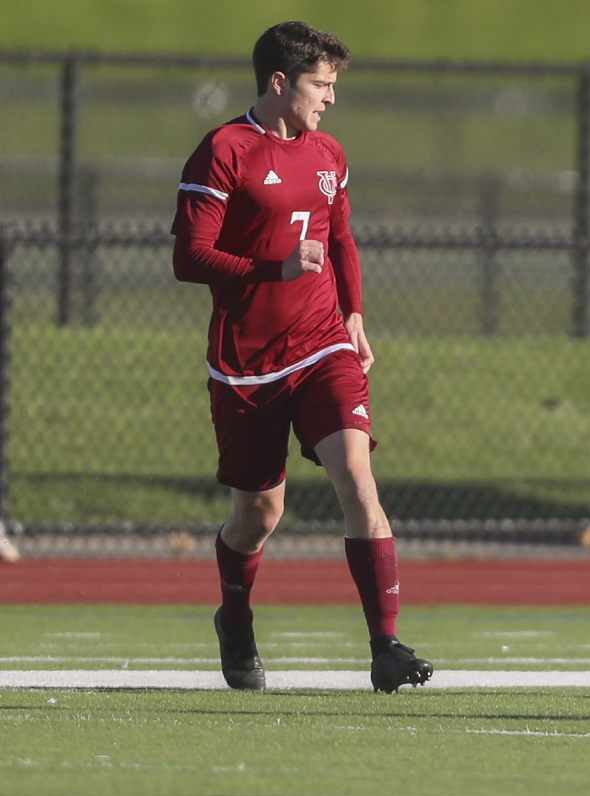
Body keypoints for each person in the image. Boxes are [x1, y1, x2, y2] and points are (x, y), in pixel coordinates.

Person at [172, 21, 431, 694]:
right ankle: (234, 619)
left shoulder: (329, 153)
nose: (331, 99)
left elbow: (339, 234)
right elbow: (188, 256)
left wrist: (353, 313)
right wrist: (274, 267)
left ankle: (386, 648)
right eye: (322, 84)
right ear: (280, 82)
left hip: (322, 346)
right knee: (259, 514)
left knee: (358, 480)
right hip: (246, 364)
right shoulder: (222, 151)